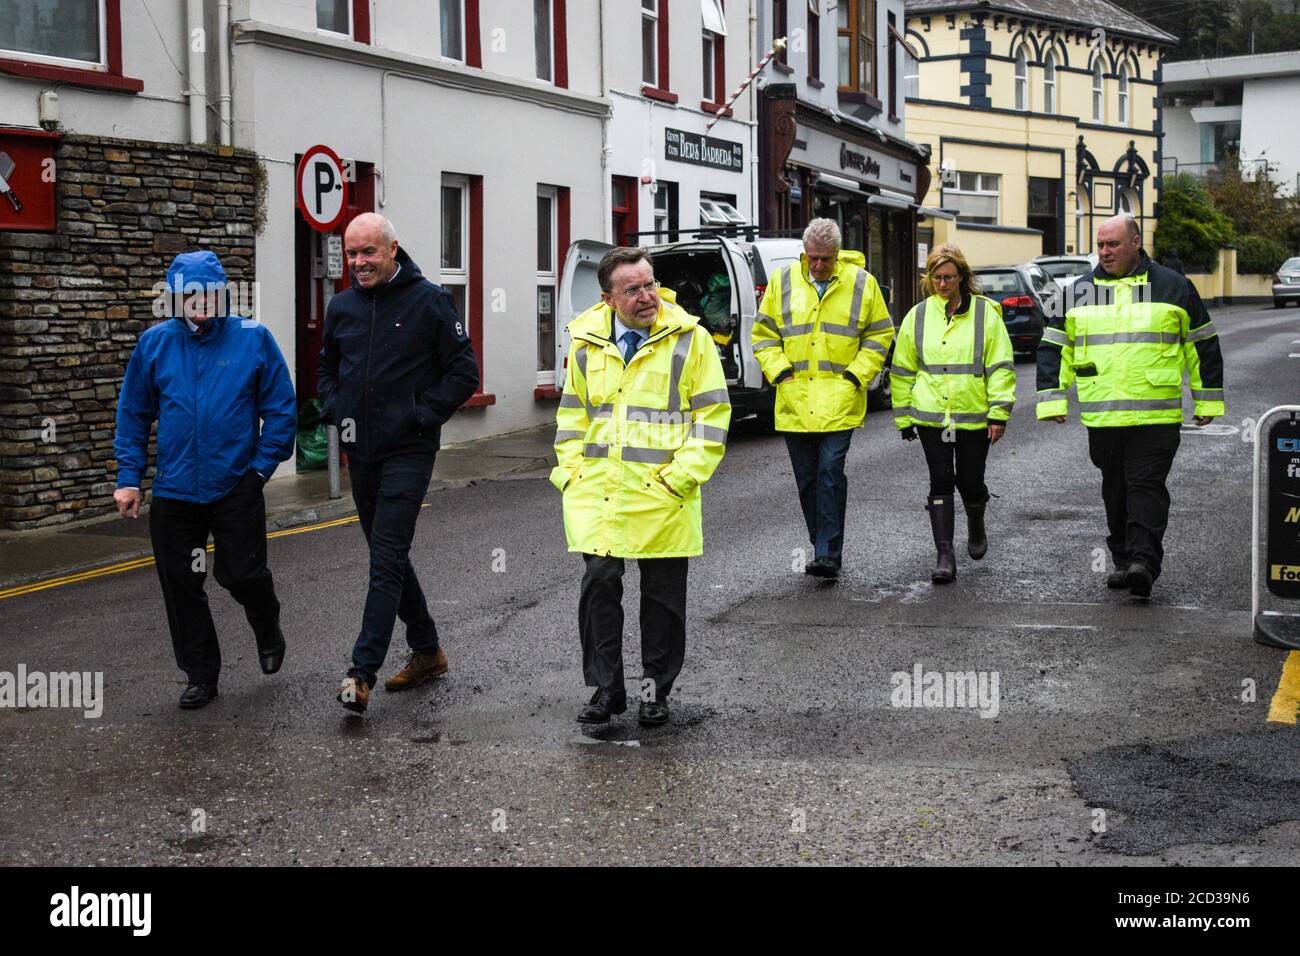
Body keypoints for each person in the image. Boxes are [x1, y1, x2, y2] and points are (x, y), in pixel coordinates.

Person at [552, 247, 730, 727]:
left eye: (650, 284)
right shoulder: (586, 342)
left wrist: (681, 479)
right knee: (599, 587)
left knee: (662, 600)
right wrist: (569, 473)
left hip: (663, 492)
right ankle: (606, 691)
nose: (647, 296)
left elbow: (712, 417)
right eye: (632, 289)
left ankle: (655, 692)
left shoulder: (691, 340)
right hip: (600, 490)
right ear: (609, 299)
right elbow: (573, 414)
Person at [114, 250, 296, 709]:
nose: (200, 302)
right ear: (175, 297)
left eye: (209, 293)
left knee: (241, 573)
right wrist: (129, 477)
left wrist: (260, 469)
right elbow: (133, 415)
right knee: (181, 585)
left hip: (236, 483)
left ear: (223, 293)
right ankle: (201, 675)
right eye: (189, 294)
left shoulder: (253, 339)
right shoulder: (154, 345)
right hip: (175, 490)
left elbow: (281, 409)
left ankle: (266, 621)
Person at [318, 213, 479, 714]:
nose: (359, 263)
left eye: (368, 252)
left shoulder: (429, 301)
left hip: (409, 450)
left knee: (384, 558)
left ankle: (359, 672)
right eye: (351, 254)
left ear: (392, 249)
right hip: (359, 450)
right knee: (389, 555)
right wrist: (334, 407)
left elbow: (463, 372)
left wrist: (420, 415)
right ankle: (428, 650)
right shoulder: (341, 306)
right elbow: (326, 369)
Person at [1037, 214, 1225, 598]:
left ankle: (1144, 562)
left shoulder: (1174, 287)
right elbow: (1054, 348)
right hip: (1103, 415)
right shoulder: (1075, 292)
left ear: (1136, 243)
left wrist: (1207, 402)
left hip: (1156, 416)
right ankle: (1123, 560)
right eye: (1100, 245)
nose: (1104, 252)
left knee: (1145, 486)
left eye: (1113, 245)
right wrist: (1053, 400)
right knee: (1115, 489)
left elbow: (1202, 346)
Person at [751, 218, 894, 579]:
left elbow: (880, 334)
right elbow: (764, 332)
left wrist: (855, 377)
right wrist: (780, 371)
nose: (817, 266)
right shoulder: (783, 282)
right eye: (812, 258)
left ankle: (828, 553)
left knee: (830, 472)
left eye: (825, 259)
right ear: (805, 253)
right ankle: (822, 545)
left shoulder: (862, 284)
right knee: (807, 479)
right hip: (795, 398)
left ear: (837, 256)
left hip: (840, 399)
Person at [891, 244, 1016, 583]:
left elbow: (1001, 366)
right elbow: (902, 369)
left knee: (970, 481)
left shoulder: (986, 315)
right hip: (932, 416)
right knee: (941, 479)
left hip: (973, 414)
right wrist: (904, 417)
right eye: (936, 278)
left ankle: (976, 521)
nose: (942, 284)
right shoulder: (917, 316)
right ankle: (944, 555)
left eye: (948, 277)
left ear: (962, 277)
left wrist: (999, 413)